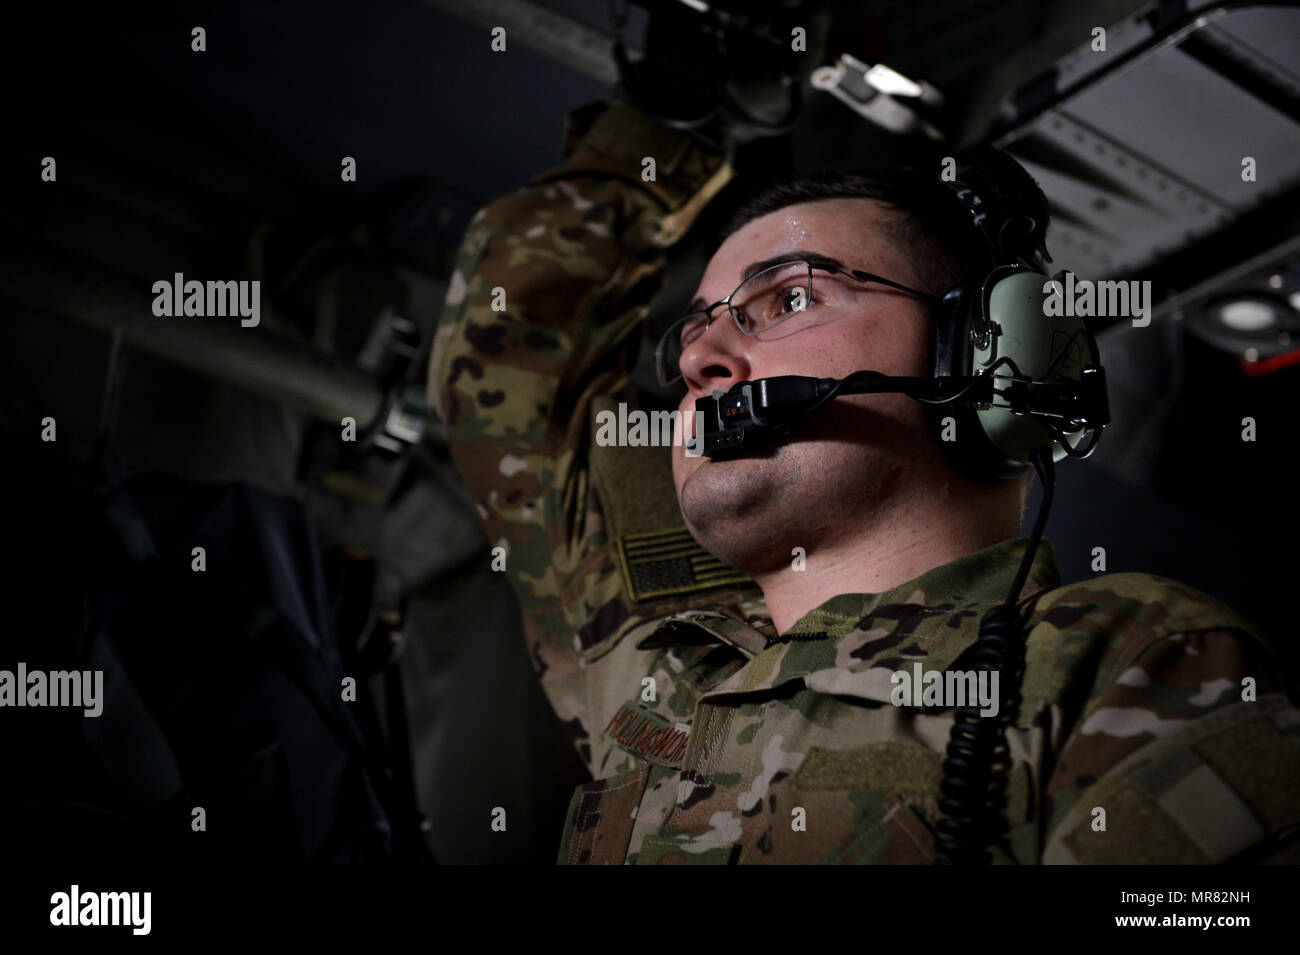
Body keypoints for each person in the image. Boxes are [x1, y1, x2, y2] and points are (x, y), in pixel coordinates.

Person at [427, 100, 1300, 864]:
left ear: (987, 358)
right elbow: (506, 371)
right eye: (693, 331)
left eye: (790, 300)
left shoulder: (1126, 658)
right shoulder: (659, 661)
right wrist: (663, 118)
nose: (697, 356)